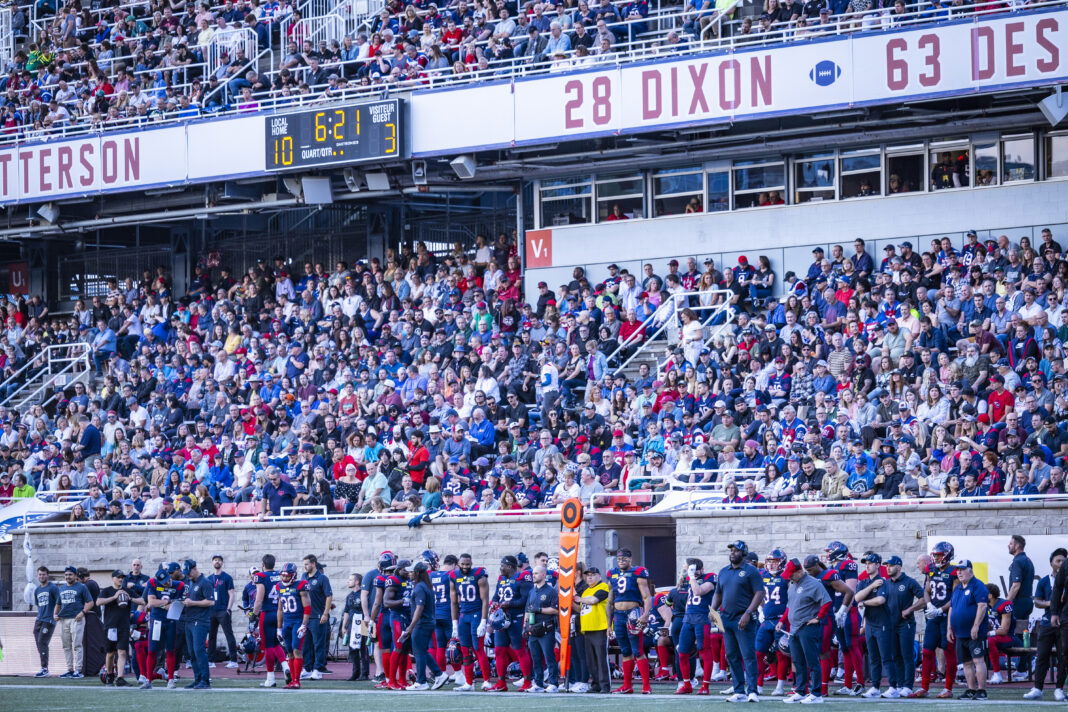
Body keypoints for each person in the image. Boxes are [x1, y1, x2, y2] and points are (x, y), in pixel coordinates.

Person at [712, 540, 765, 702]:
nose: (732, 553)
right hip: (726, 618)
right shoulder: (723, 571)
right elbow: (718, 593)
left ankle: (753, 691)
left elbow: (759, 593)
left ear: (743, 553)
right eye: (731, 550)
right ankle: (739, 690)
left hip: (744, 617)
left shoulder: (751, 571)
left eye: (736, 550)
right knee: (731, 655)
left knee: (748, 655)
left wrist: (749, 612)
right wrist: (713, 609)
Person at [782, 558, 831, 704]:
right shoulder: (792, 584)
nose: (789, 576)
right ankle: (801, 691)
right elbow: (790, 605)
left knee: (812, 661)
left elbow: (826, 601)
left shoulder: (813, 583)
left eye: (791, 574)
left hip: (807, 627)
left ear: (799, 571)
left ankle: (816, 694)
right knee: (798, 661)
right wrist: (782, 621)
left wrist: (818, 618)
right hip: (794, 628)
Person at [912, 541, 958, 698]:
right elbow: (927, 590)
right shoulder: (931, 569)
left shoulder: (954, 572)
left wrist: (940, 609)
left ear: (947, 555)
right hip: (933, 616)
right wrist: (930, 605)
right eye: (935, 555)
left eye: (939, 555)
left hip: (947, 617)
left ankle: (948, 688)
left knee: (948, 652)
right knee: (926, 651)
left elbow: (956, 597)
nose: (936, 558)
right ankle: (924, 687)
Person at [607, 548, 653, 694]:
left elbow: (647, 596)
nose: (621, 561)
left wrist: (645, 615)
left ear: (630, 559)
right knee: (625, 651)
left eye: (624, 558)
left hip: (633, 613)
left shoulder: (638, 572)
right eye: (619, 558)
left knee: (637, 650)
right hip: (618, 615)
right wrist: (609, 624)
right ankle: (627, 685)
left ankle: (646, 686)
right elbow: (609, 601)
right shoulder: (612, 573)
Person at [400, 561, 450, 690]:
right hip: (426, 622)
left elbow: (419, 608)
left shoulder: (420, 587)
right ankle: (439, 674)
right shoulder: (425, 585)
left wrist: (410, 627)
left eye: (412, 571)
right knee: (422, 651)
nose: (409, 573)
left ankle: (421, 681)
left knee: (418, 652)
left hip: (422, 623)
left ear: (417, 573)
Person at [1025, 547, 1068, 700]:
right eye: (1058, 561)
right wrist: (1052, 603)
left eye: (1064, 560)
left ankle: (1059, 689)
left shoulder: (1066, 578)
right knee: (1042, 654)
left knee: (1064, 656)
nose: (1061, 563)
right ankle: (1037, 688)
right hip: (1047, 623)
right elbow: (1037, 601)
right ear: (1051, 563)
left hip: (1065, 622)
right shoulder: (1044, 581)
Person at [489, 555, 533, 691]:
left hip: (516, 618)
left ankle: (527, 682)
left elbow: (526, 600)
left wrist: (510, 604)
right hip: (502, 619)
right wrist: (495, 602)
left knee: (520, 650)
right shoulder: (501, 579)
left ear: (509, 566)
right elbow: (496, 595)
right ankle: (501, 682)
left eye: (502, 565)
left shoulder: (521, 578)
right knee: (499, 650)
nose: (500, 568)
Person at [948, 559, 990, 700]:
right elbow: (952, 608)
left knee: (978, 660)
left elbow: (982, 606)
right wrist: (949, 627)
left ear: (970, 570)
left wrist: (976, 625)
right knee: (966, 662)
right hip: (960, 632)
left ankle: (981, 690)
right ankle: (971, 689)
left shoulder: (978, 586)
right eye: (957, 570)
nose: (959, 572)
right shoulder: (958, 588)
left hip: (975, 632)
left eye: (962, 569)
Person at [854, 552, 894, 698]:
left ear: (877, 565)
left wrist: (864, 602)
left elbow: (880, 600)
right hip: (870, 624)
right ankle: (875, 687)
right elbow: (856, 598)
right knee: (873, 658)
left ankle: (893, 687)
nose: (867, 566)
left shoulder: (882, 581)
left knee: (886, 657)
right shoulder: (866, 582)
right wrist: (870, 587)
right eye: (866, 563)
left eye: (870, 563)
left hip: (883, 623)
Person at [674, 557, 716, 695]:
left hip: (701, 618)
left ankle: (705, 686)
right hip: (688, 618)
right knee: (683, 653)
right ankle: (687, 684)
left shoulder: (710, 577)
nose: (684, 569)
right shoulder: (688, 579)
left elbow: (698, 591)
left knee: (704, 652)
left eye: (686, 566)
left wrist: (692, 576)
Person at [884, 555, 925, 697]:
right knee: (895, 656)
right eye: (886, 565)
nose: (887, 568)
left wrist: (909, 610)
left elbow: (924, 599)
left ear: (899, 567)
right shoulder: (886, 583)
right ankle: (899, 685)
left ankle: (908, 686)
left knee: (907, 656)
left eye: (890, 565)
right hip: (890, 625)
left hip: (906, 624)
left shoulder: (910, 582)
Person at [450, 553, 491, 691]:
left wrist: (484, 621)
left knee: (478, 648)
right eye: (462, 564)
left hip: (477, 614)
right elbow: (454, 602)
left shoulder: (479, 575)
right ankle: (469, 683)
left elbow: (485, 600)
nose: (465, 567)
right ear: (458, 564)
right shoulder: (454, 576)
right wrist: (454, 623)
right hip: (463, 615)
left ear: (471, 563)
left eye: (467, 564)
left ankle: (486, 681)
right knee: (464, 650)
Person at [141, 561, 185, 689]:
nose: (165, 583)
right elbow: (151, 602)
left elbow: (179, 605)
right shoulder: (152, 583)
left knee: (170, 650)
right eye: (163, 581)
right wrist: (167, 603)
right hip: (157, 621)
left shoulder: (179, 585)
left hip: (171, 621)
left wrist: (162, 604)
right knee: (152, 650)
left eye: (167, 580)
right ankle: (148, 680)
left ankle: (170, 679)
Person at [756, 549, 789, 696]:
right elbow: (758, 593)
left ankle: (780, 686)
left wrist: (784, 619)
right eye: (769, 561)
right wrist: (760, 609)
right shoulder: (762, 575)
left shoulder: (787, 576)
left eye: (774, 561)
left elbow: (792, 600)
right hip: (767, 619)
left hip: (782, 619)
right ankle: (758, 684)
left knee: (781, 654)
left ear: (781, 562)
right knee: (758, 652)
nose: (771, 564)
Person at [251, 554, 287, 688]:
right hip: (280, 612)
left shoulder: (261, 576)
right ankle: (285, 666)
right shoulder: (280, 575)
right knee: (277, 643)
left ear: (263, 564)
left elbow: (259, 599)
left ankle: (270, 678)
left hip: (266, 613)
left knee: (268, 646)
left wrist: (254, 614)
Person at [524, 564, 560, 692]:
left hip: (546, 630)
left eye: (536, 573)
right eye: (533, 574)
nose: (533, 576)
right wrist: (525, 626)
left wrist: (539, 609)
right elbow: (528, 610)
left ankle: (553, 683)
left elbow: (555, 610)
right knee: (536, 658)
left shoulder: (550, 591)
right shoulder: (532, 591)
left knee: (549, 657)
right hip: (533, 630)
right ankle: (538, 683)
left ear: (544, 575)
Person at [276, 562, 311, 689]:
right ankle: (292, 680)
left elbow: (307, 607)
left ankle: (297, 680)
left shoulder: (301, 585)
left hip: (297, 622)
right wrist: (279, 628)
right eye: (283, 576)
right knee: (289, 652)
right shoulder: (279, 587)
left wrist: (303, 625)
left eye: (287, 576)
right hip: (287, 623)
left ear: (294, 575)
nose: (284, 578)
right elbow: (279, 609)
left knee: (296, 649)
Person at [575, 567, 610, 693]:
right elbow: (581, 609)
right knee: (591, 660)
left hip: (600, 627)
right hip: (587, 628)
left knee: (601, 659)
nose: (589, 577)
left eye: (593, 575)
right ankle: (596, 684)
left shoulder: (603, 587)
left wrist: (579, 599)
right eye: (588, 575)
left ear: (599, 576)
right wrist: (571, 600)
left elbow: (594, 601)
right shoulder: (585, 591)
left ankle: (605, 685)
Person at [181, 559, 214, 689]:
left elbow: (210, 602)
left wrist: (193, 603)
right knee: (191, 652)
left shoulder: (205, 582)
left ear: (195, 569)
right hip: (189, 620)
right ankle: (197, 678)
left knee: (199, 650)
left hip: (200, 621)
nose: (187, 575)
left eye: (189, 572)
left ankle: (205, 680)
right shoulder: (189, 582)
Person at [56, 565, 93, 679]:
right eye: (66, 575)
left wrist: (82, 612)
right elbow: (58, 604)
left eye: (70, 574)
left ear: (75, 575)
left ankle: (78, 670)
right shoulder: (61, 588)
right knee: (66, 646)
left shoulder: (81, 587)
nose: (68, 576)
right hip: (63, 619)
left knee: (77, 644)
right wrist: (55, 614)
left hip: (77, 619)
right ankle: (69, 669)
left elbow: (90, 602)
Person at [96, 570, 133, 686]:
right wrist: (114, 597)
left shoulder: (127, 591)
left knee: (122, 652)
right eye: (118, 577)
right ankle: (110, 674)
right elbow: (98, 602)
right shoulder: (107, 590)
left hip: (124, 625)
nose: (120, 579)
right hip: (111, 626)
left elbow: (142, 601)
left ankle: (120, 677)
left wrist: (129, 598)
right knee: (110, 653)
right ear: (113, 578)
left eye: (122, 577)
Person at [1007, 534, 1035, 680]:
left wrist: (1006, 603)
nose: (1008, 545)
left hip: (1019, 602)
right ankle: (1023, 667)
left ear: (1017, 545)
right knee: (1022, 635)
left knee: (1015, 634)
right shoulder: (1027, 560)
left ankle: (1030, 658)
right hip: (1026, 602)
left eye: (1010, 543)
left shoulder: (1019, 561)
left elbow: (1015, 585)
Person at [300, 554, 333, 678]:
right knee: (306, 645)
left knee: (318, 644)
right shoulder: (303, 577)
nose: (305, 566)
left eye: (307, 564)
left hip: (318, 616)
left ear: (313, 564)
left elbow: (329, 596)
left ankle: (318, 669)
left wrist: (325, 613)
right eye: (304, 564)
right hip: (306, 617)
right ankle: (307, 668)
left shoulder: (322, 578)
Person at [207, 555, 240, 670]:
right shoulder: (208, 579)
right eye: (215, 560)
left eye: (219, 561)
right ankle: (210, 661)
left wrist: (228, 609)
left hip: (223, 610)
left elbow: (231, 594)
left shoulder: (227, 577)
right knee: (211, 636)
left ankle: (233, 660)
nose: (217, 562)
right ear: (212, 563)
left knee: (228, 635)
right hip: (212, 611)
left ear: (222, 563)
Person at [32, 566, 60, 677]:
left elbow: (59, 602)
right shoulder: (37, 590)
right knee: (40, 643)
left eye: (44, 574)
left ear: (47, 575)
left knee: (42, 641)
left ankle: (45, 669)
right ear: (37, 575)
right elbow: (38, 605)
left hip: (49, 619)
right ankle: (43, 666)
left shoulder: (53, 588)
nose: (41, 576)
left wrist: (55, 615)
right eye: (40, 574)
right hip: (40, 619)